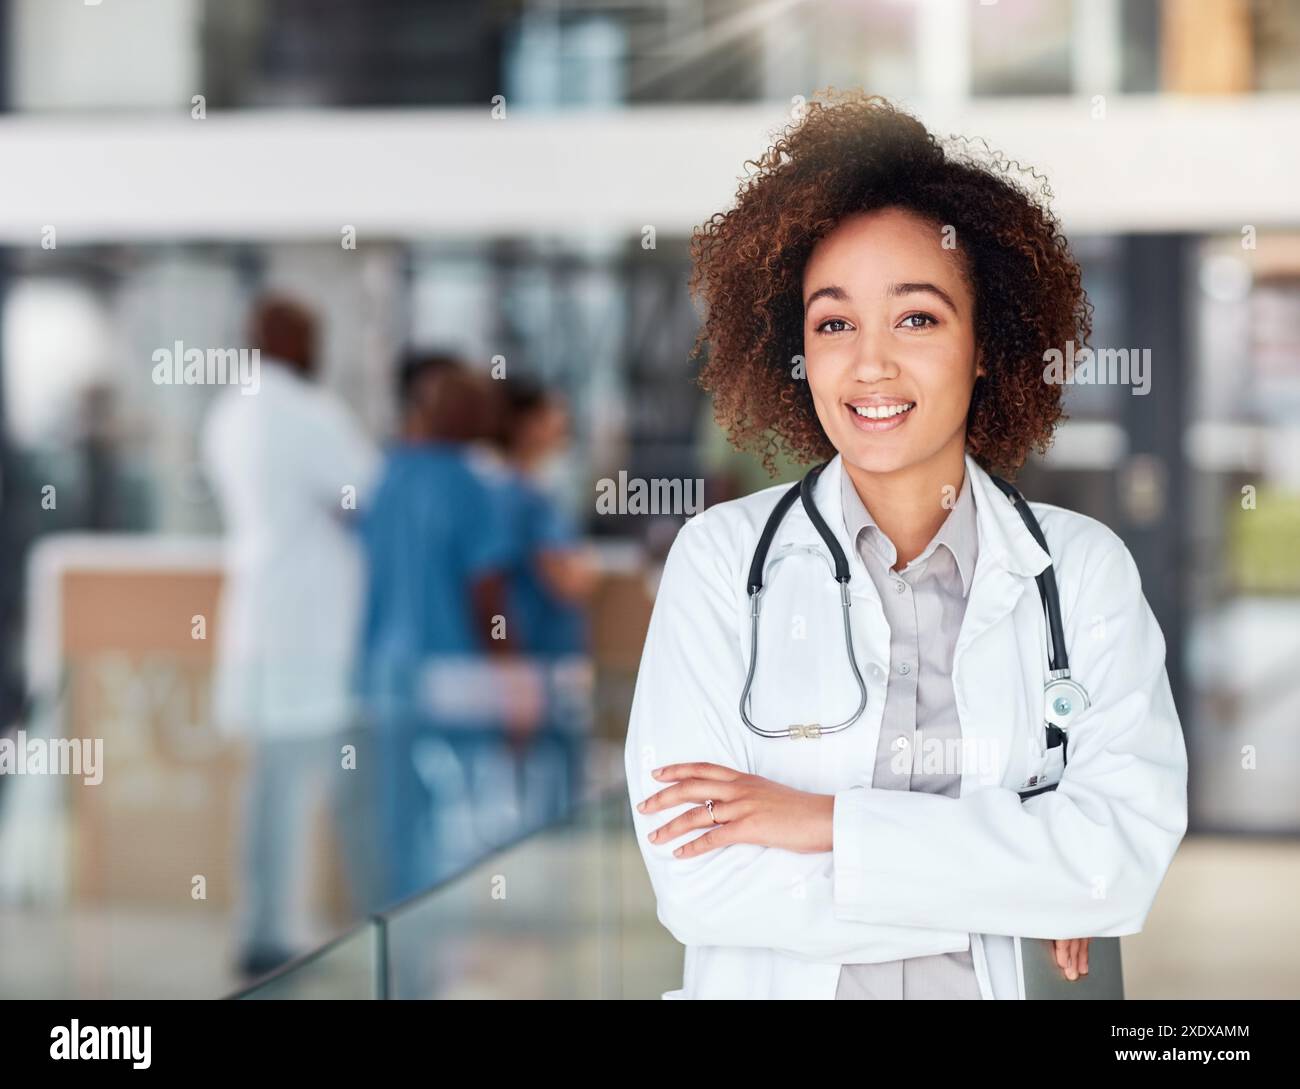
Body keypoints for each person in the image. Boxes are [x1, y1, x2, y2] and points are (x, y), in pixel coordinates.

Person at [624, 92, 1189, 1000]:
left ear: (984, 345)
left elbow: (1120, 859)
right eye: (834, 322)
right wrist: (1017, 878)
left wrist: (823, 824)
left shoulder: (1080, 574)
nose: (871, 364)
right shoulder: (721, 562)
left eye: (917, 318)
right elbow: (700, 884)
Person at [201, 294, 380, 978]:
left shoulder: (230, 412)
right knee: (316, 790)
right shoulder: (310, 414)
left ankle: (262, 926)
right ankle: (296, 931)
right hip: (311, 628)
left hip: (260, 618)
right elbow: (364, 496)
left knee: (269, 787)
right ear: (295, 343)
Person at [356, 357, 521, 903]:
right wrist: (511, 676)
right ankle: (449, 938)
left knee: (398, 817)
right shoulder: (468, 484)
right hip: (453, 674)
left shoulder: (387, 476)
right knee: (463, 817)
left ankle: (401, 939)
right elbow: (487, 594)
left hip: (385, 671)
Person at [482, 376, 598, 827]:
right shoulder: (528, 498)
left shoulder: (495, 490)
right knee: (554, 797)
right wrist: (582, 567)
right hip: (542, 667)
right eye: (552, 413)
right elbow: (568, 579)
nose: (562, 423)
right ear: (527, 425)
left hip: (519, 662)